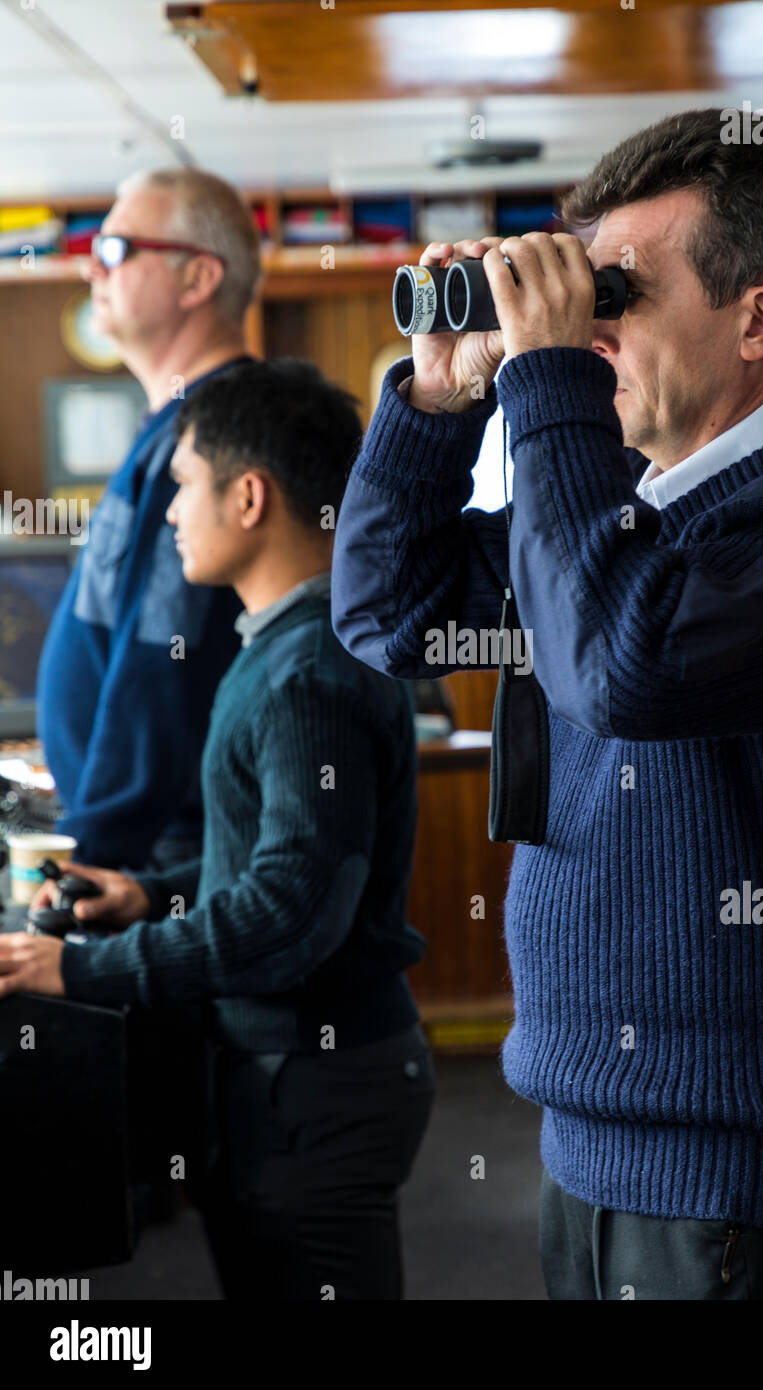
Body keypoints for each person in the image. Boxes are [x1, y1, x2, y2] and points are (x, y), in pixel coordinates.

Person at [329, 108, 763, 1300]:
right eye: (580, 293)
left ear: (759, 319)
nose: (590, 325)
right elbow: (387, 615)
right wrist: (440, 406)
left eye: (618, 292)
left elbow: (622, 662)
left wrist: (551, 377)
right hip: (593, 1148)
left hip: (748, 1174)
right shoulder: (620, 516)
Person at [0, 359, 435, 1301]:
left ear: (249, 496)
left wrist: (80, 970)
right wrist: (149, 896)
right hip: (286, 1074)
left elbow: (287, 915)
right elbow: (276, 864)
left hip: (317, 1082)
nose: (169, 512)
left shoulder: (308, 673)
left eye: (186, 484)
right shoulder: (284, 647)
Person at [38, 167, 261, 875]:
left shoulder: (212, 433)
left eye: (114, 249)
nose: (90, 266)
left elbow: (166, 651)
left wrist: (99, 854)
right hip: (148, 841)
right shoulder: (175, 423)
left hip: (161, 855)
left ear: (196, 279)